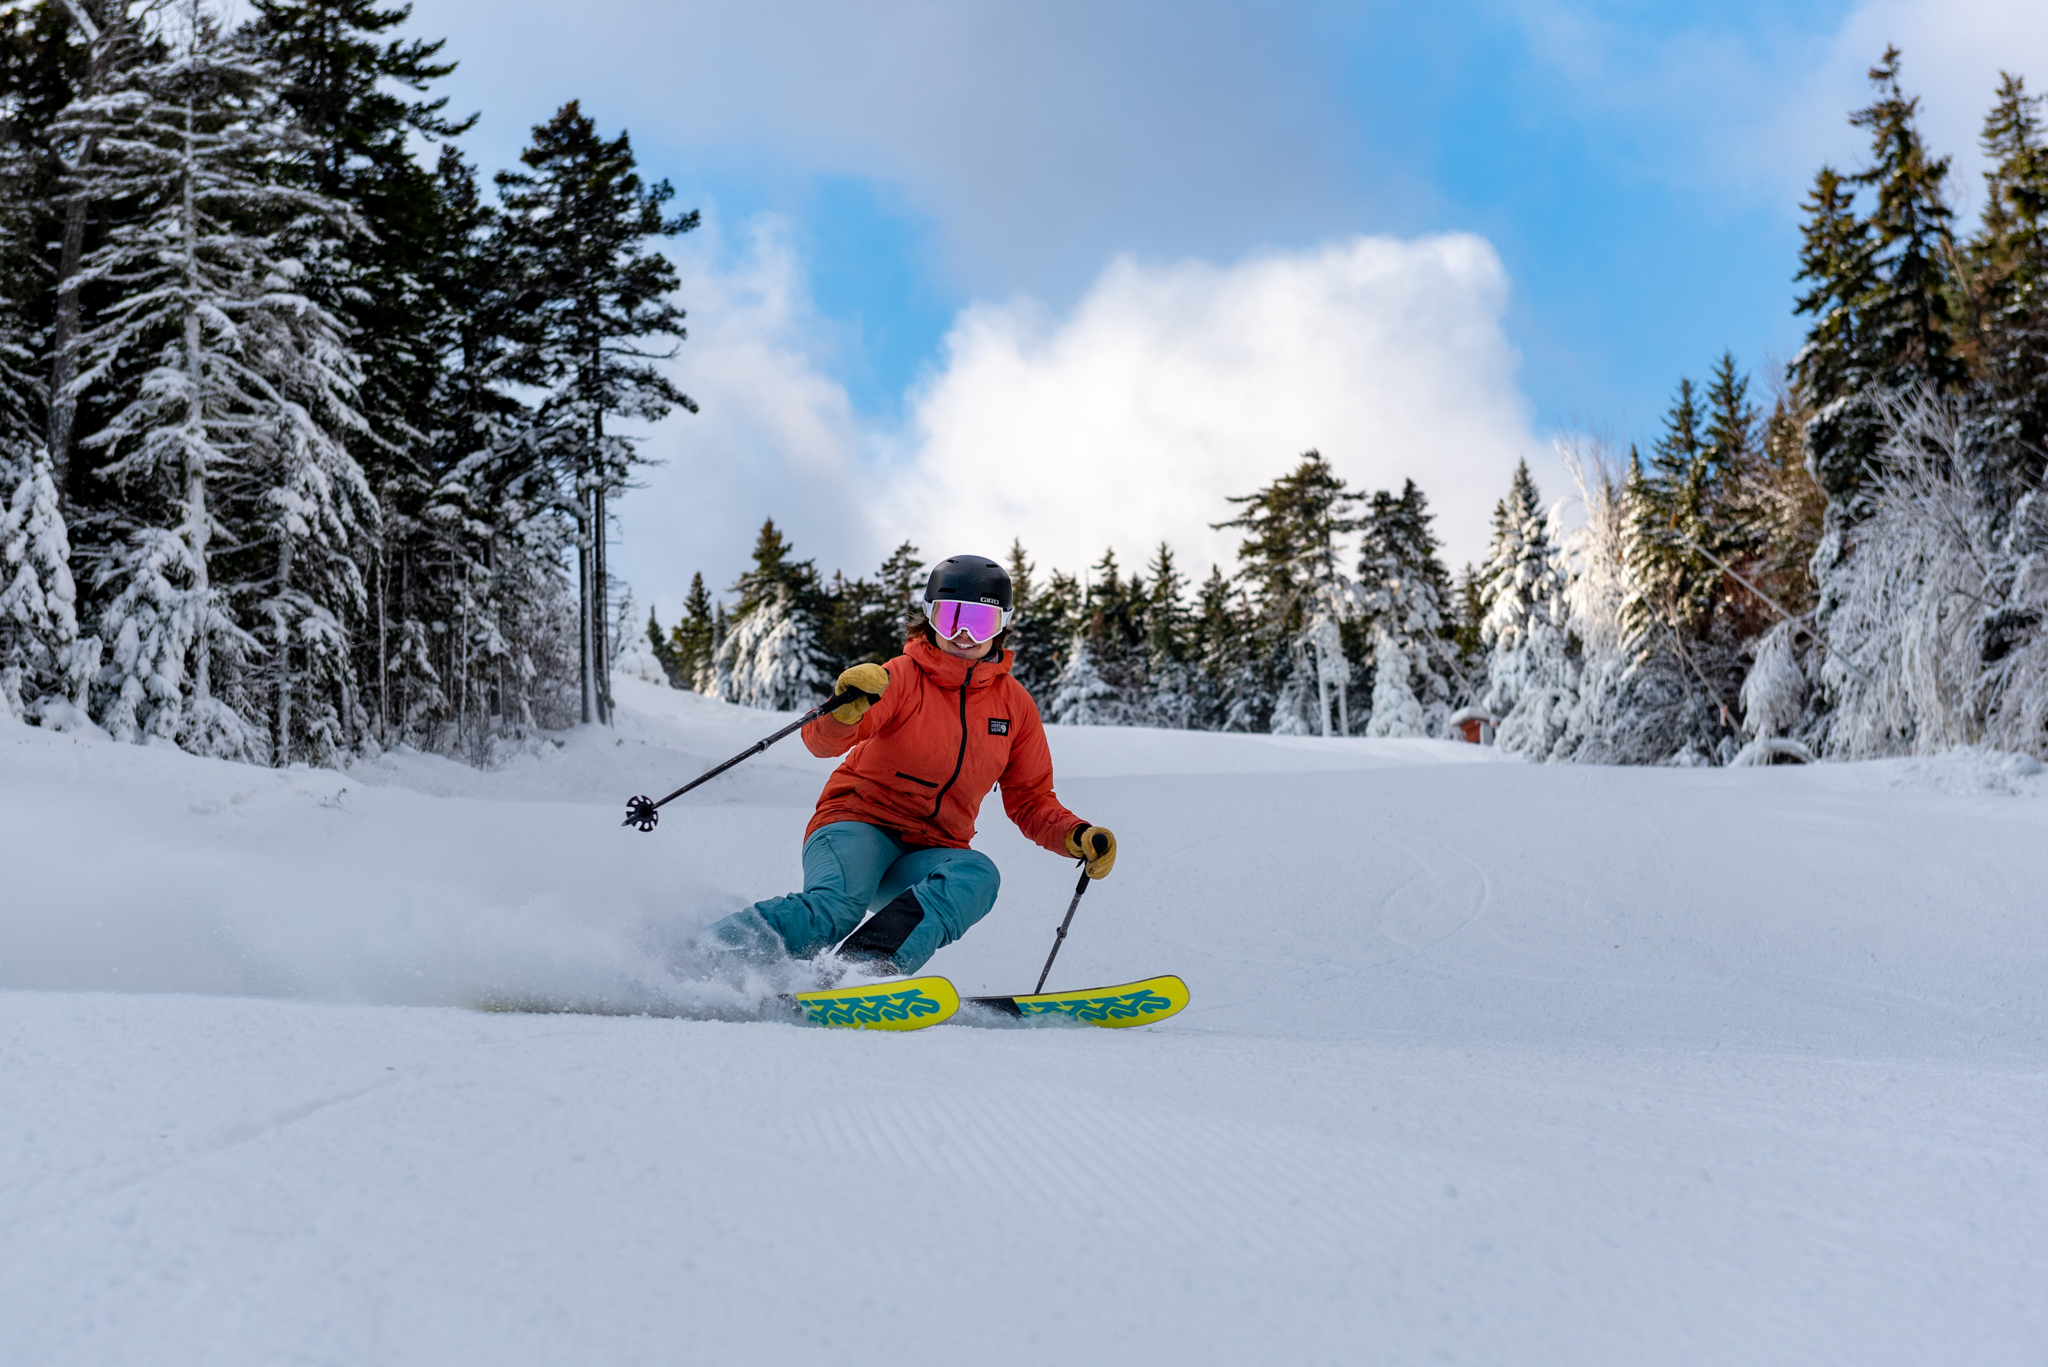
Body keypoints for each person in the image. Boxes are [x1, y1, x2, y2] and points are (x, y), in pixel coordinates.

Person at [703, 553, 1117, 976]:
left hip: (930, 851)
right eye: (950, 618)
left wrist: (1074, 834)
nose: (963, 634)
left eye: (980, 622)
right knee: (834, 909)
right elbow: (821, 742)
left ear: (1002, 627)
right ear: (929, 619)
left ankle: (863, 972)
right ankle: (709, 952)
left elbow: (1030, 799)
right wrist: (843, 714)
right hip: (858, 824)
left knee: (976, 875)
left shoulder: (1015, 706)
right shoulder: (899, 677)